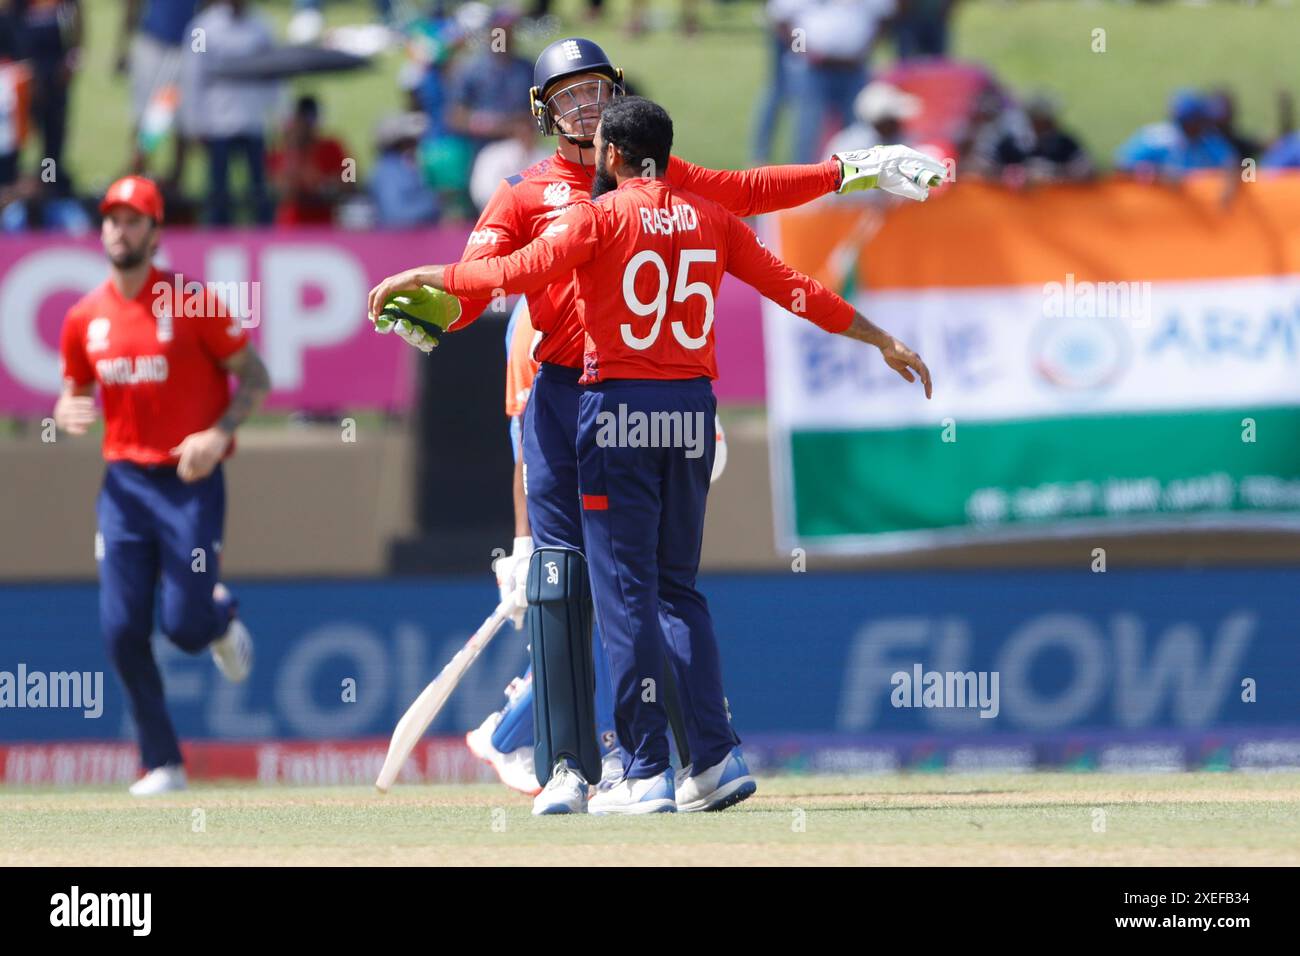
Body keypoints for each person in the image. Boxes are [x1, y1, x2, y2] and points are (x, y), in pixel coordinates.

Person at [368, 37, 942, 815]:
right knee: (567, 583)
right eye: (566, 96)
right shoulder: (523, 193)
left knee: (629, 589)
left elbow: (749, 189)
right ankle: (571, 765)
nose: (585, 105)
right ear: (544, 113)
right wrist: (438, 314)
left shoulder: (647, 175)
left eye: (595, 89)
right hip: (568, 394)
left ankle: (642, 761)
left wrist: (852, 169)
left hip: (619, 394)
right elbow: (486, 284)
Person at [53, 176, 271, 796]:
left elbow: (255, 376)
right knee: (121, 631)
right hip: (123, 486)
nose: (121, 230)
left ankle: (220, 616)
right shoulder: (83, 317)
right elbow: (72, 391)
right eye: (112, 219)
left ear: (156, 232)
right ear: (102, 230)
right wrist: (65, 410)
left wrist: (217, 433)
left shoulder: (193, 303)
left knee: (183, 623)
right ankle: (163, 763)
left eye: (134, 219)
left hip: (187, 479)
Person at [178, 0, 279, 225]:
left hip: (252, 117)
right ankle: (217, 232)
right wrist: (193, 122)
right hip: (218, 120)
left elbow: (274, 72)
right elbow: (192, 76)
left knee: (259, 186)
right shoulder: (202, 29)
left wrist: (278, 113)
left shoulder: (262, 27)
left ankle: (265, 232)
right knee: (218, 188)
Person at [115, 0, 202, 182]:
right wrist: (123, 45)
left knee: (180, 116)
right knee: (146, 114)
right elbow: (132, 5)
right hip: (152, 40)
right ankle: (140, 171)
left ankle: (175, 178)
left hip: (186, 43)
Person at [266, 94, 351, 226]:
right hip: (290, 230)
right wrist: (293, 149)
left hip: (325, 227)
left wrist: (326, 186)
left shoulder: (333, 146)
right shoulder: (279, 153)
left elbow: (350, 180)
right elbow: (285, 191)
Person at [1114, 89, 1235, 178]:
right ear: (1188, 124)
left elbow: (1230, 162)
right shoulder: (1156, 138)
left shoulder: (1207, 140)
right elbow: (1121, 164)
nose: (1204, 125)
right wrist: (1156, 172)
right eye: (1199, 121)